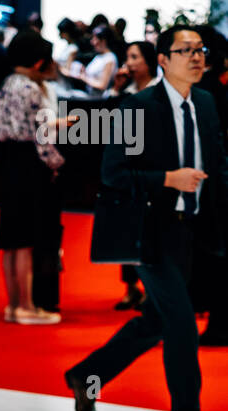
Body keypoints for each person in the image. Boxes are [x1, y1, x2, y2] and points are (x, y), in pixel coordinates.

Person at [65, 26, 228, 411]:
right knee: (181, 324)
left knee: (157, 321)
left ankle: (87, 376)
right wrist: (168, 179)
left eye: (200, 50)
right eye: (185, 50)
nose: (196, 57)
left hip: (192, 231)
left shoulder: (206, 103)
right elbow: (113, 174)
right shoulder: (137, 108)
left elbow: (217, 164)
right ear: (163, 59)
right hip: (149, 231)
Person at [0, 30, 65, 324]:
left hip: (8, 159)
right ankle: (27, 306)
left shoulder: (9, 83)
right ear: (38, 62)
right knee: (25, 238)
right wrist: (55, 162)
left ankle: (12, 305)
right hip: (29, 164)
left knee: (10, 238)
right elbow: (41, 135)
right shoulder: (32, 89)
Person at [113, 39, 159, 308]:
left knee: (151, 232)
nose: (128, 63)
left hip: (152, 170)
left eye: (134, 57)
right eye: (127, 57)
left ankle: (153, 290)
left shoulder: (159, 92)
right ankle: (131, 287)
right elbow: (108, 123)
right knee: (125, 231)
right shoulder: (126, 91)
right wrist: (116, 90)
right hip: (127, 170)